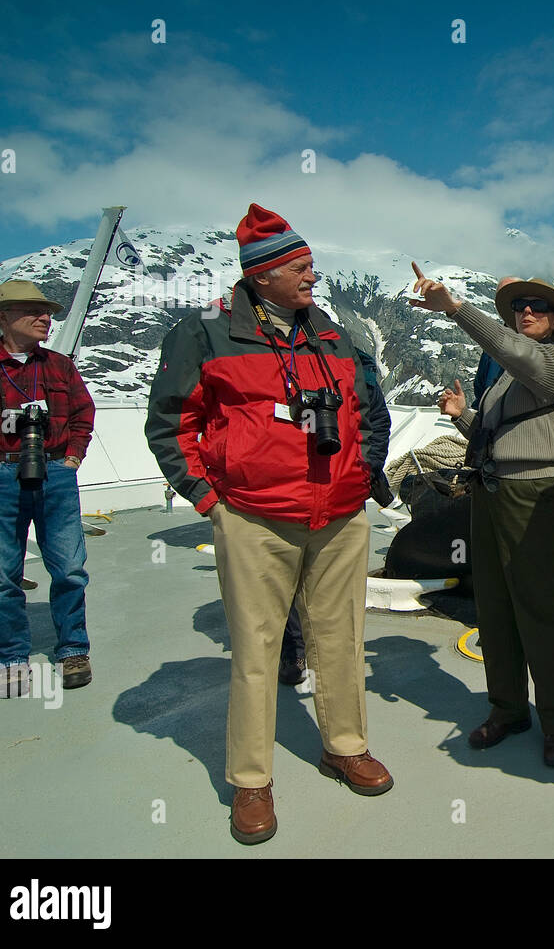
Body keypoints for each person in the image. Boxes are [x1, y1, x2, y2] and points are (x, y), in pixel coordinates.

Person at [146, 204, 392, 845]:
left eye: (310, 263)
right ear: (262, 276)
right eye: (299, 266)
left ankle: (345, 745)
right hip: (254, 518)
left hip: (338, 515)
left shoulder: (330, 332)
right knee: (256, 654)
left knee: (340, 639)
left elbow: (366, 410)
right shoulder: (204, 333)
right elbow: (172, 424)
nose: (313, 275)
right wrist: (209, 500)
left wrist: (361, 478)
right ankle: (251, 782)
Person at [414, 266, 554, 768]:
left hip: (532, 496)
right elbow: (497, 438)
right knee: (495, 608)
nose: (526, 312)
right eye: (519, 307)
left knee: (538, 611)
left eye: (538, 307)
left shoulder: (552, 363)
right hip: (491, 491)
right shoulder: (509, 376)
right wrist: (464, 415)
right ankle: (508, 709)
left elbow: (513, 349)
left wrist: (457, 309)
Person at [0, 280, 95, 697]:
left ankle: (73, 649)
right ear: (2, 318)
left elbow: (82, 414)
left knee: (70, 570)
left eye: (47, 313)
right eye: (32, 312)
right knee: (3, 577)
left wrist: (72, 457)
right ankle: (11, 657)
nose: (44, 318)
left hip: (55, 475)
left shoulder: (59, 365)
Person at [279, 346, 392, 687]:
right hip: (291, 493)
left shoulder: (351, 360)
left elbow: (375, 423)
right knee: (295, 579)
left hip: (338, 493)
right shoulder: (276, 356)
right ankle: (299, 653)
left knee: (325, 581)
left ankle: (318, 655)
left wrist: (360, 476)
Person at [473, 277, 554, 429]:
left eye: (538, 306)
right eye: (518, 304)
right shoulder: (491, 350)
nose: (526, 310)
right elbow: (481, 391)